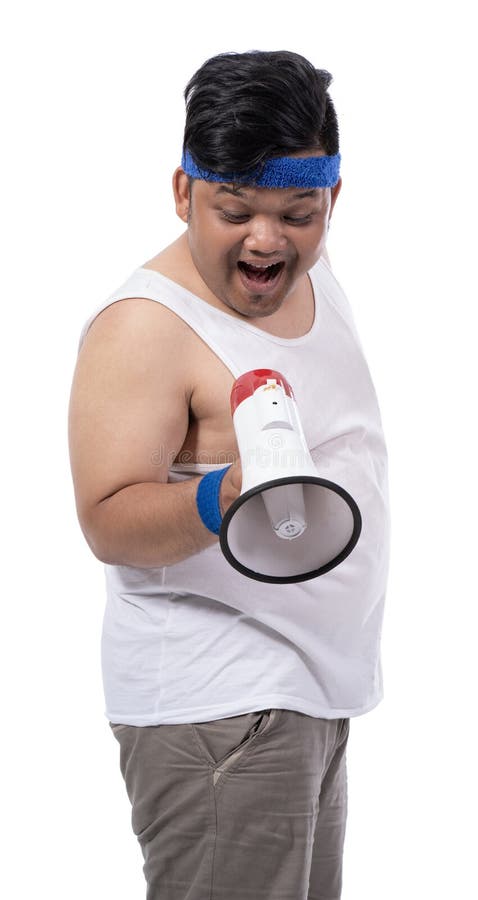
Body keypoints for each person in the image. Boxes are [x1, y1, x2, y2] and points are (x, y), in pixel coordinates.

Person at [68, 49, 390, 900]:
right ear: (184, 193)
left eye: (297, 213)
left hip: (305, 694)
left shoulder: (304, 274)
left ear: (330, 199)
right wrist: (225, 492)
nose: (266, 240)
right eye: (235, 210)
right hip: (219, 712)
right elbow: (105, 517)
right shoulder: (144, 328)